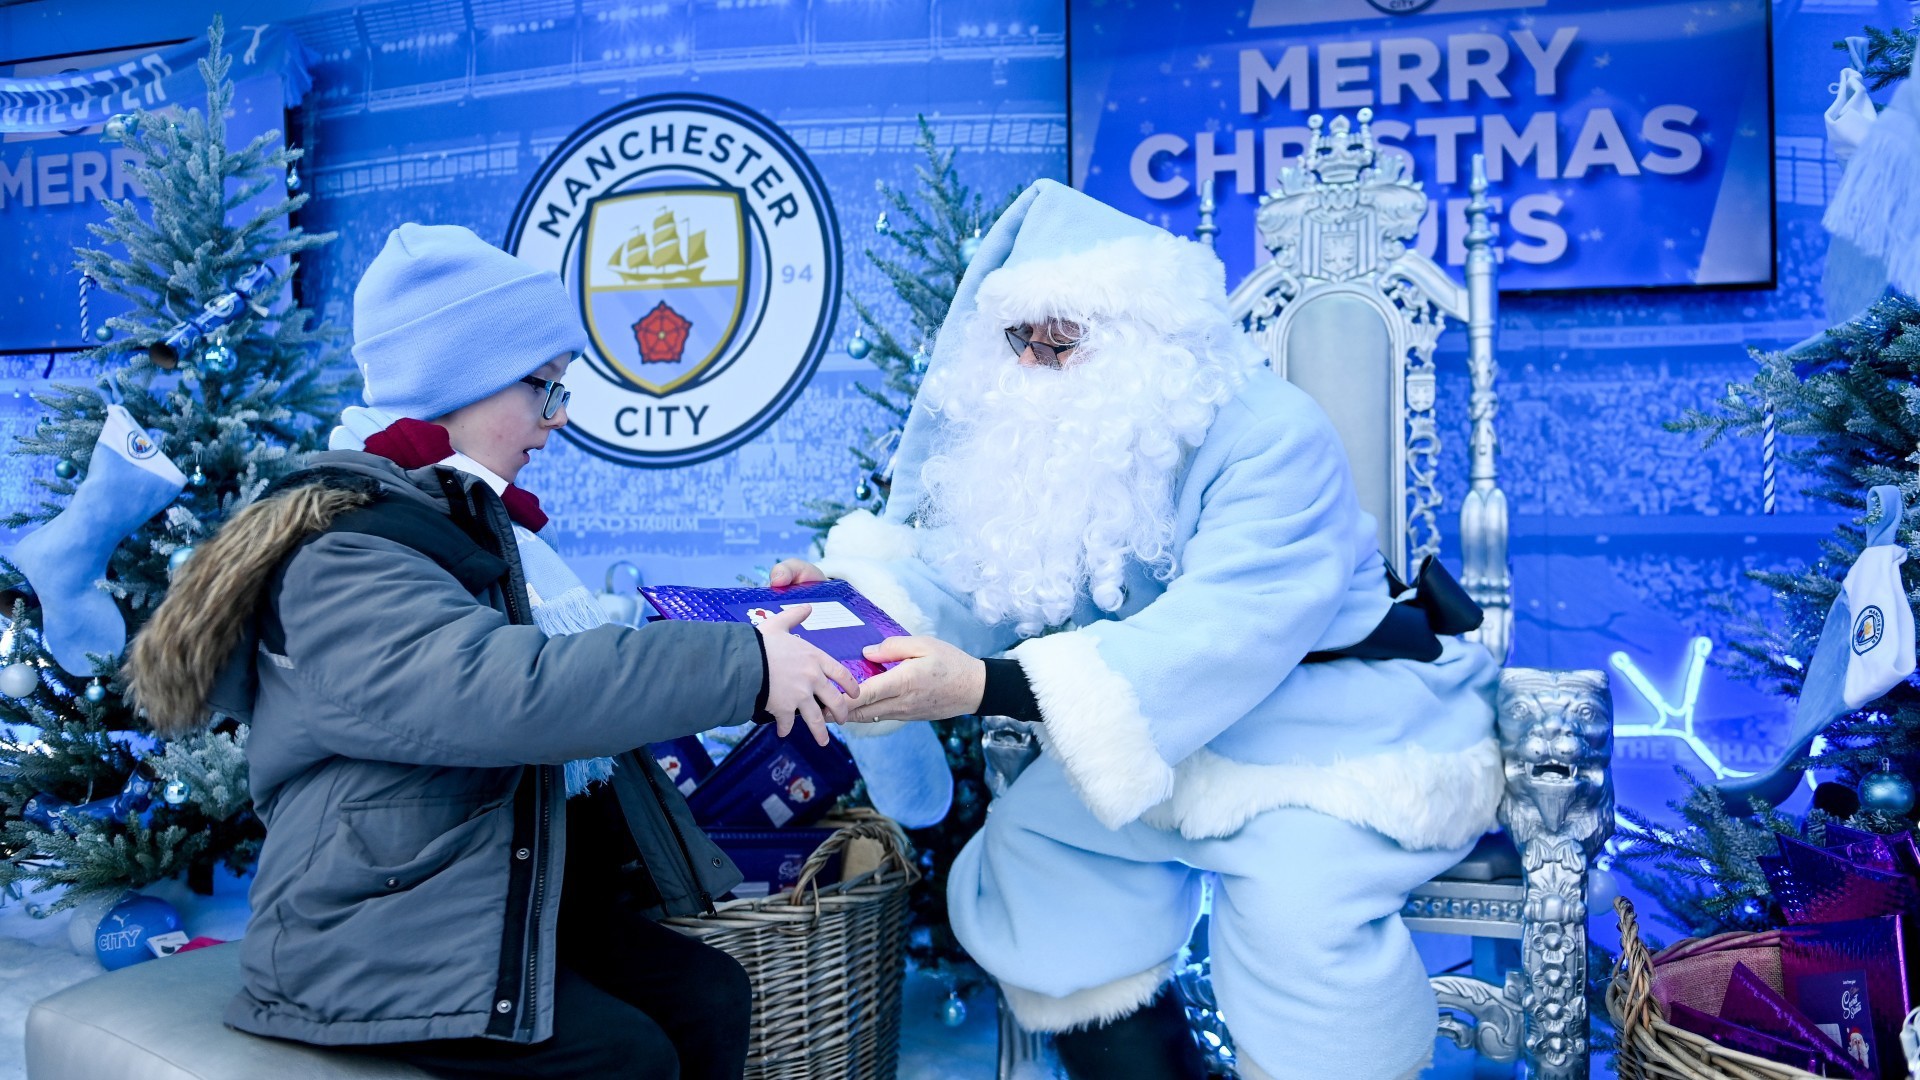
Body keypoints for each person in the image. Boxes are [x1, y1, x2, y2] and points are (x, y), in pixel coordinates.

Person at [772, 180, 1502, 1080]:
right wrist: (855, 604)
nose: (1033, 362)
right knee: (1034, 857)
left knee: (1300, 921)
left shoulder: (1274, 433)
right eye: (1018, 339)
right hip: (1173, 731)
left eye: (1060, 340)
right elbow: (967, 578)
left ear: (1142, 334)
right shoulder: (1059, 441)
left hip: (1341, 728)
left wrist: (981, 685)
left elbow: (1225, 633)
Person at [129, 224, 859, 1080]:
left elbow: (593, 659)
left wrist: (760, 627)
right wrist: (742, 664)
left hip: (486, 894)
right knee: (626, 1059)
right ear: (458, 381)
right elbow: (510, 691)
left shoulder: (462, 523)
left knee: (709, 995)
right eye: (545, 387)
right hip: (380, 934)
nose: (559, 419)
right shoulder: (345, 549)